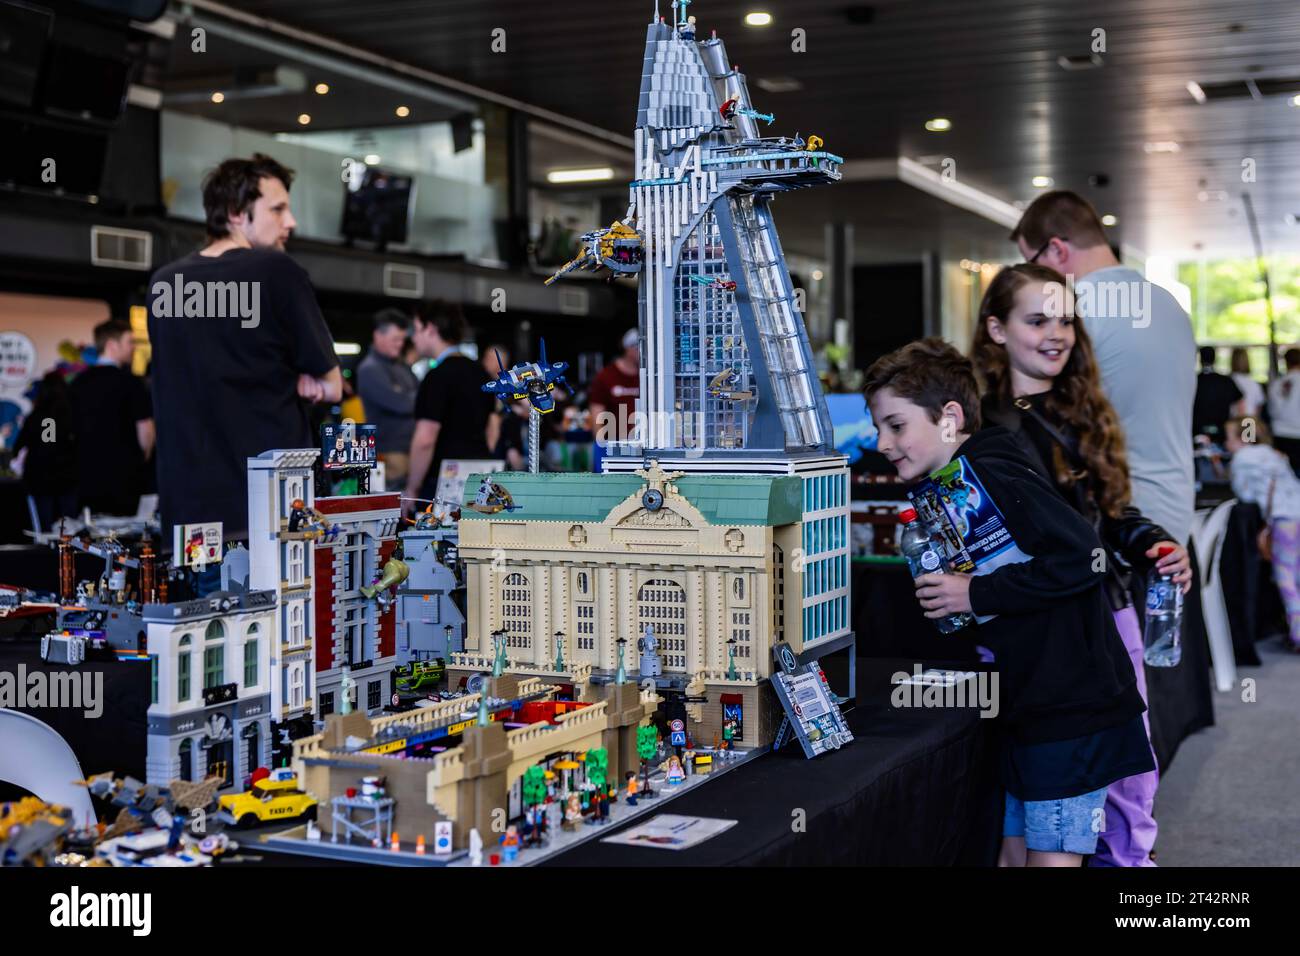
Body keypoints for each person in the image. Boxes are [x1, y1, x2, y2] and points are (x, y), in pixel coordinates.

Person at [864, 337, 1156, 867]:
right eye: (880, 427)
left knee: (1050, 861)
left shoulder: (995, 471)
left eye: (897, 425)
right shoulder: (958, 484)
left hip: (1071, 710)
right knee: (1013, 855)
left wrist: (971, 592)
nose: (882, 442)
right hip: (1033, 705)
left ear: (949, 418)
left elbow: (1081, 557)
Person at [971, 264, 1192, 867]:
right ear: (996, 328)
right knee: (1037, 799)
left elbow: (1111, 511)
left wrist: (1153, 541)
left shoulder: (1081, 410)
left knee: (1126, 787)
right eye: (1036, 319)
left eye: (1065, 319)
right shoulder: (980, 427)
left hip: (1106, 617)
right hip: (1030, 633)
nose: (1056, 333)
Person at [148, 153, 340, 544]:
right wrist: (302, 374)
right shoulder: (276, 271)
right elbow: (333, 385)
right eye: (278, 209)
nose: (291, 222)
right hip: (269, 517)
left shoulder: (164, 283)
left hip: (188, 520)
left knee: (202, 607)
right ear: (237, 213)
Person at [1010, 190, 1197, 547]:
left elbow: (1046, 419)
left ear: (1057, 250)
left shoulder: (1074, 310)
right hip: (1175, 510)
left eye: (1034, 263)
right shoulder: (1169, 301)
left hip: (1116, 518)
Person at [404, 302, 495, 512]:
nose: (413, 337)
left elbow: (426, 438)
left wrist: (412, 488)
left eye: (417, 329)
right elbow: (492, 426)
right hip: (481, 478)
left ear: (431, 329)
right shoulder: (480, 372)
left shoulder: (437, 377)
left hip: (444, 484)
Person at [1224, 416, 1300, 652]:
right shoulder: (1273, 453)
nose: (1226, 443)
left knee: (1284, 576)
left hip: (1284, 519)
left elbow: (1243, 496)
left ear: (1240, 438)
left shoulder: (1241, 459)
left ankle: (1298, 633)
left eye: (1228, 438)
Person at [68, 319, 154, 516]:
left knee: (92, 540)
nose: (134, 348)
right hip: (125, 478)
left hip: (86, 477)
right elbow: (146, 430)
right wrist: (142, 458)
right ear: (111, 345)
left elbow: (58, 425)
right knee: (128, 539)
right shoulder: (131, 383)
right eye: (130, 342)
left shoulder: (77, 384)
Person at [356, 308, 418, 488]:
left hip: (410, 450)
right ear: (378, 336)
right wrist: (413, 398)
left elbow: (420, 397)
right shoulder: (369, 369)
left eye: (402, 340)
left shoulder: (401, 366)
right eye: (395, 339)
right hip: (390, 453)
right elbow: (403, 404)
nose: (400, 344)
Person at [13, 371, 78, 532]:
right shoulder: (70, 413)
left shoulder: (36, 415)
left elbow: (18, 446)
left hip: (39, 476)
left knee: (44, 526)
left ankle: (45, 554)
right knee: (69, 527)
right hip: (66, 476)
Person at [588, 328, 640, 472]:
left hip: (641, 447)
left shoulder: (649, 376)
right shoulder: (606, 376)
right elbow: (596, 412)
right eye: (640, 348)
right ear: (629, 349)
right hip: (614, 447)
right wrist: (600, 445)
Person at [1192, 346, 1243, 439]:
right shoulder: (1226, 381)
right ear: (1215, 359)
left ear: (1200, 359)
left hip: (1197, 431)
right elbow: (1240, 406)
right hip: (1222, 431)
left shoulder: (1193, 381)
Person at [1267, 347, 1300, 475]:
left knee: (1286, 474)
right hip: (1297, 432)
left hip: (1280, 434)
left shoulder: (1277, 384)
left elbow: (1271, 410)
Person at [1230, 347, 1265, 418]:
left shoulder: (1228, 382)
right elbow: (1258, 408)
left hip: (1233, 423)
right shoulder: (1254, 383)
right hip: (1250, 422)